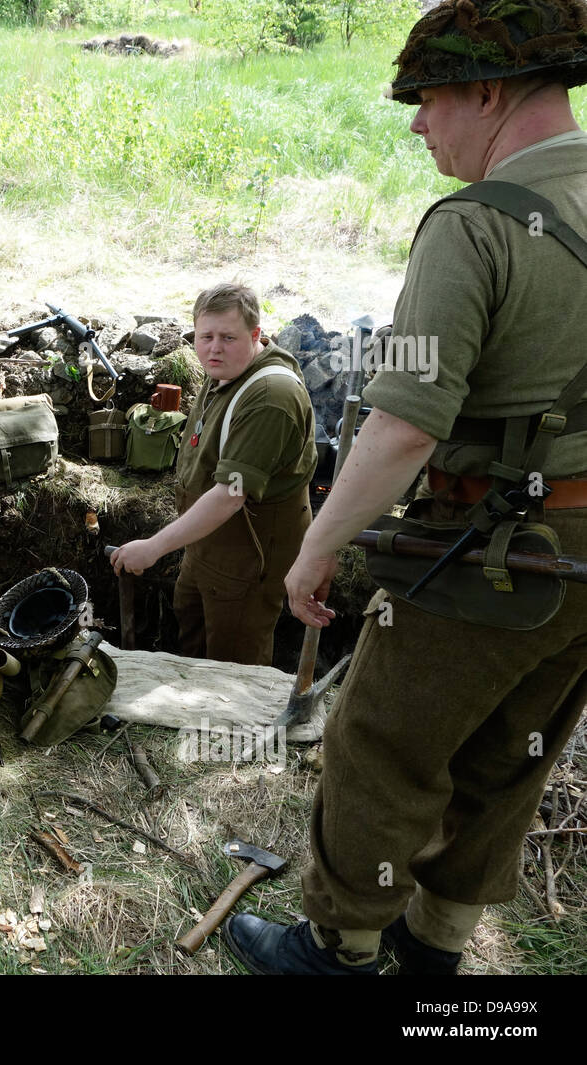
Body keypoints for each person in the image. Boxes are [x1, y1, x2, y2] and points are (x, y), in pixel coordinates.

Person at [225, 0, 587, 975]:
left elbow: (401, 424)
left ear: (486, 88)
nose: (416, 123)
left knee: (379, 747)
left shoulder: (475, 226)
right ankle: (436, 952)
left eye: (426, 98)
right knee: (509, 759)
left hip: (490, 562)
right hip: (583, 573)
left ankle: (337, 950)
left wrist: (316, 546)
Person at [111, 282, 317, 667]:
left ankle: (228, 728)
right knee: (191, 626)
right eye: (205, 337)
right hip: (206, 541)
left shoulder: (271, 398)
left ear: (256, 335)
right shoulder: (227, 367)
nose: (214, 348)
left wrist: (154, 547)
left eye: (228, 337)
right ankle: (188, 715)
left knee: (232, 662)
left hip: (248, 553)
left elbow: (231, 494)